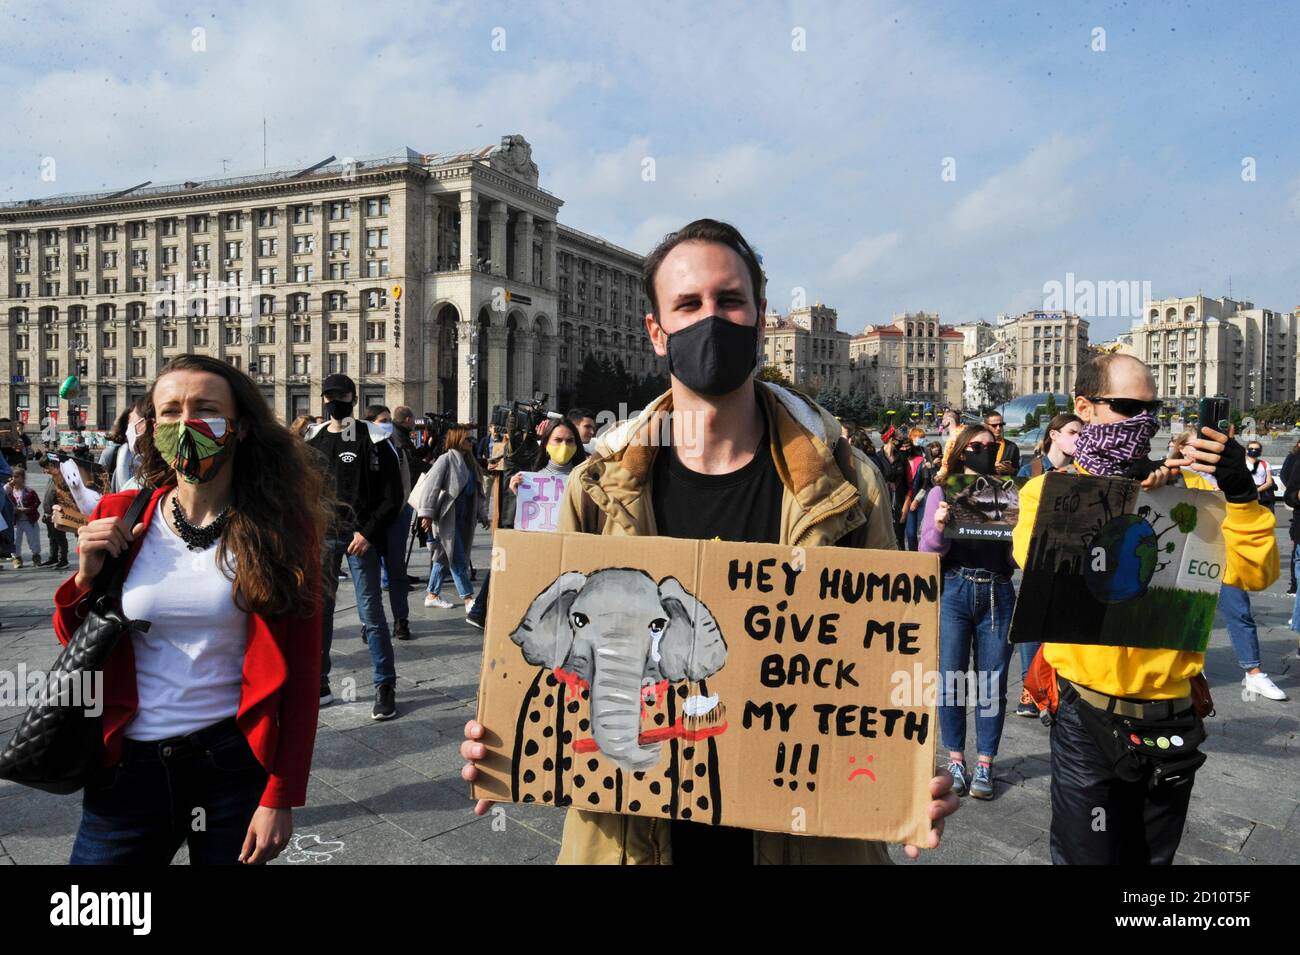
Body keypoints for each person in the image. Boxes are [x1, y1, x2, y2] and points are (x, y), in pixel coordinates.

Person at [460, 217, 957, 864]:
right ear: (657, 332)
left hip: (806, 842)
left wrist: (907, 767)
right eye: (688, 305)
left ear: (760, 316)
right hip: (631, 840)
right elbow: (552, 678)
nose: (711, 320)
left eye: (730, 301)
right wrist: (506, 740)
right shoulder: (595, 487)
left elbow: (880, 663)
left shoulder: (847, 485)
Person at [56, 353, 325, 864]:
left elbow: (302, 673)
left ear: (240, 427)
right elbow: (77, 640)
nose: (186, 424)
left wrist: (281, 795)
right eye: (171, 411)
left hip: (233, 766)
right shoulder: (120, 514)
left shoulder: (280, 529)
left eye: (204, 409)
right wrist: (85, 577)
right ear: (152, 426)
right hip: (127, 770)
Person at [1013, 354, 1278, 864]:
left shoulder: (1191, 492)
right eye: (1129, 407)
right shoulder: (1048, 492)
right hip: (1086, 717)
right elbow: (1045, 563)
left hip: (1171, 716)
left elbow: (1255, 574)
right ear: (1085, 408)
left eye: (1152, 408)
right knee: (1083, 855)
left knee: (1151, 863)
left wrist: (1240, 494)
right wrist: (1122, 494)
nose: (1144, 421)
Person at [921, 425, 1017, 799]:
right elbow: (927, 551)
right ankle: (957, 760)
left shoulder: (1007, 492)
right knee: (951, 680)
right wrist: (941, 527)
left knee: (992, 683)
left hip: (997, 589)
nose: (984, 451)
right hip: (956, 588)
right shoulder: (942, 492)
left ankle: (985, 764)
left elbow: (1013, 558)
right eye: (976, 446)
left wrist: (1020, 532)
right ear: (961, 451)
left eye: (991, 446)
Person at [306, 374, 402, 720]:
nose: (335, 402)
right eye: (330, 396)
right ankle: (319, 682)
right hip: (325, 536)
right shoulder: (314, 440)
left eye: (342, 396)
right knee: (322, 614)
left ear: (354, 398)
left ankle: (384, 685)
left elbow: (393, 496)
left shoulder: (374, 438)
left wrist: (368, 532)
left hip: (360, 538)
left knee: (371, 613)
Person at [468, 417, 590, 630]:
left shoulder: (586, 478)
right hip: (540, 560)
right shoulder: (531, 480)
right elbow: (521, 527)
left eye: (570, 441)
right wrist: (518, 495)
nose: (564, 446)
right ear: (546, 444)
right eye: (557, 440)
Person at [1011, 412, 1083, 717]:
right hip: (1038, 559)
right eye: (1073, 432)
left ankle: (1056, 691)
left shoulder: (1083, 472)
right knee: (1033, 627)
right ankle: (1031, 693)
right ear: (1054, 435)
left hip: (1071, 561)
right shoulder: (1032, 470)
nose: (1079, 438)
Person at [411, 426, 489, 612]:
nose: (472, 442)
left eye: (472, 439)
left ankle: (432, 594)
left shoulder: (471, 463)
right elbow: (431, 487)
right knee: (457, 557)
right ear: (457, 440)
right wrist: (427, 514)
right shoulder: (446, 459)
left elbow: (477, 492)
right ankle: (469, 599)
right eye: (467, 439)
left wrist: (482, 514)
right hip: (448, 515)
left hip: (465, 515)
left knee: (444, 555)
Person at [364, 404, 415, 641]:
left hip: (395, 518)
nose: (386, 425)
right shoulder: (363, 449)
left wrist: (398, 511)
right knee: (369, 575)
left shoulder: (397, 450)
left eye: (388, 420)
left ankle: (401, 620)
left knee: (397, 571)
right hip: (370, 523)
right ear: (370, 422)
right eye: (382, 420)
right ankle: (370, 622)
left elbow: (405, 486)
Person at [5, 467, 42, 567]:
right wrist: (15, 510)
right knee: (15, 540)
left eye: (17, 477)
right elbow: (5, 503)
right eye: (12, 477)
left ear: (22, 478)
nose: (14, 479)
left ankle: (36, 556)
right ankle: (17, 558)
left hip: (29, 520)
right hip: (16, 521)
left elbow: (36, 503)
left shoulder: (29, 491)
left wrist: (28, 509)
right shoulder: (9, 491)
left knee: (33, 539)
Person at [38, 458, 70, 568]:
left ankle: (63, 559)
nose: (45, 471)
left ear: (52, 465)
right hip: (48, 514)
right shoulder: (52, 479)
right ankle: (53, 557)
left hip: (57, 513)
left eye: (46, 468)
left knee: (60, 536)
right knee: (52, 537)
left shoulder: (61, 479)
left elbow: (65, 498)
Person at [984, 411, 1020, 475]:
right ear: (985, 426)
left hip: (1003, 482)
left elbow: (1019, 471)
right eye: (994, 425)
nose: (998, 428)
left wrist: (1011, 470)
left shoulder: (1012, 447)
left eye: (1001, 425)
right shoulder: (977, 445)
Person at [1246, 439, 1275, 512]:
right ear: (1247, 450)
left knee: (1265, 516)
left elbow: (1269, 482)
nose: (1253, 450)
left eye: (1256, 449)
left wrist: (1256, 490)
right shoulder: (1241, 464)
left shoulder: (1265, 464)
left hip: (1263, 494)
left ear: (1260, 451)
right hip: (1246, 493)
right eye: (1251, 449)